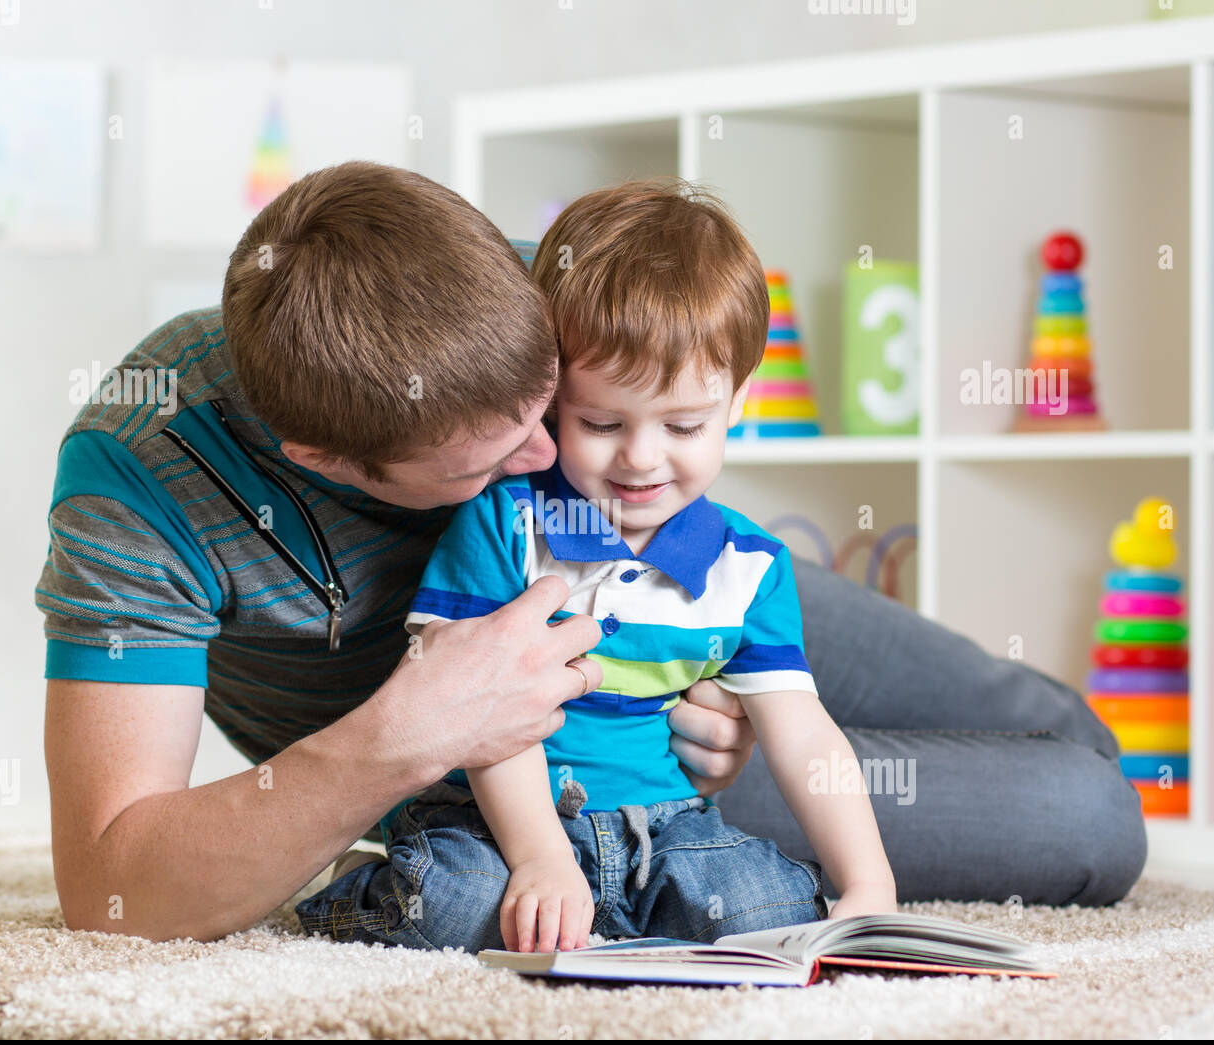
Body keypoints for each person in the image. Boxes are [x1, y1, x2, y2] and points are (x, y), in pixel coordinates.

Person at [36, 162, 1145, 946]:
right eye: (490, 456)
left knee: (1071, 732)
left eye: (554, 405)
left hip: (690, 607)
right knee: (1087, 816)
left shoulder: (510, 287)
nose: (549, 460)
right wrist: (410, 730)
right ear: (325, 456)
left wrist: (720, 674)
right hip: (560, 792)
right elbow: (111, 888)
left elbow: (671, 421)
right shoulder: (140, 481)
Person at [294, 180, 898, 954]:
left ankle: (620, 911)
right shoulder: (505, 525)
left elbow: (806, 737)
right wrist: (542, 858)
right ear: (552, 402)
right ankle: (361, 889)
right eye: (602, 422)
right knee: (458, 906)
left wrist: (868, 883)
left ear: (739, 401)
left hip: (665, 827)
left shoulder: (750, 566)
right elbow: (482, 712)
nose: (641, 458)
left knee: (761, 910)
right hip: (499, 823)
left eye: (684, 424)